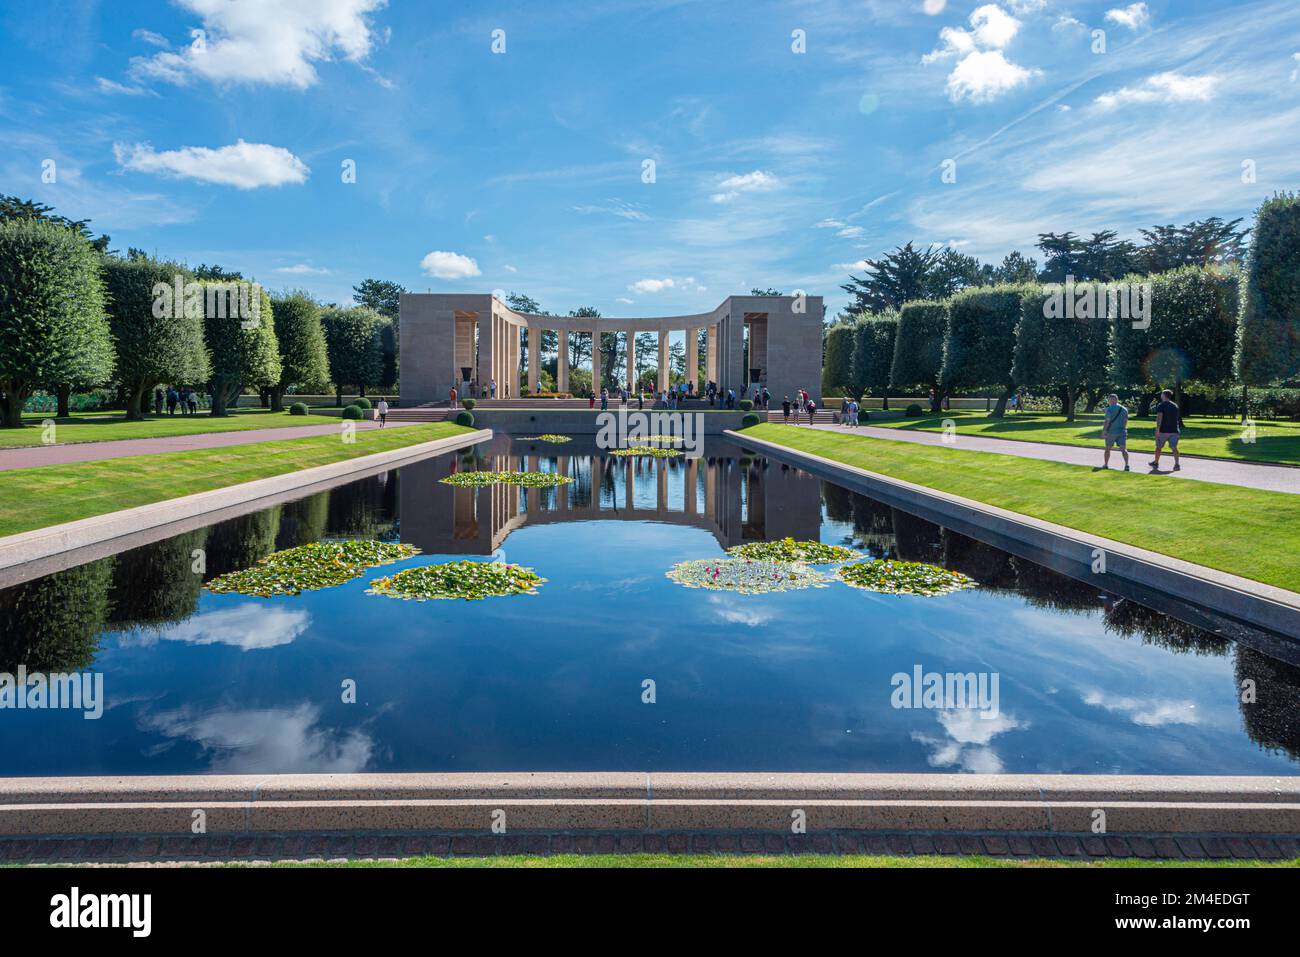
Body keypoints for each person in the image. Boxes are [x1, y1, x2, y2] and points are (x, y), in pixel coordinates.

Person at [1151, 389, 1182, 472]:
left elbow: (1159, 417)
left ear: (1164, 395)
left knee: (1158, 447)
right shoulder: (1175, 405)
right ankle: (1177, 464)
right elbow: (1176, 419)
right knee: (1174, 448)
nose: (1161, 395)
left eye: (1162, 394)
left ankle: (1156, 462)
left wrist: (1157, 429)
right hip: (1174, 430)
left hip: (1163, 431)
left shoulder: (1161, 405)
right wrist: (1177, 429)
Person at [1097, 394, 1129, 471]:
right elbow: (1125, 421)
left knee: (1107, 449)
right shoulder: (1124, 409)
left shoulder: (1109, 409)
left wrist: (1104, 431)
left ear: (1110, 400)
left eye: (1109, 400)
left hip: (1111, 432)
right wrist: (1123, 429)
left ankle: (1106, 464)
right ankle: (1127, 464)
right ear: (1117, 400)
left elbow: (1107, 421)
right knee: (1123, 449)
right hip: (1121, 431)